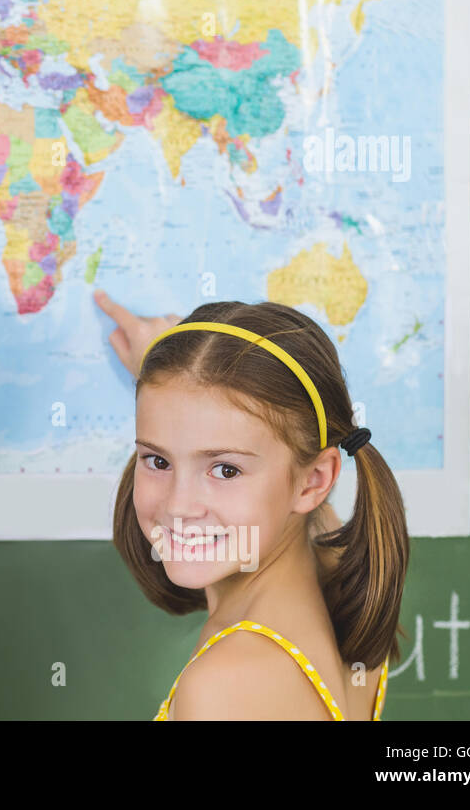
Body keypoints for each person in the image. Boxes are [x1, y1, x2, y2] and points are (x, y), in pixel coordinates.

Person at [94, 294, 409, 720]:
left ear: (314, 481)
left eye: (225, 470)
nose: (178, 506)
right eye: (158, 460)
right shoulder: (337, 579)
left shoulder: (222, 687)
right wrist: (171, 369)